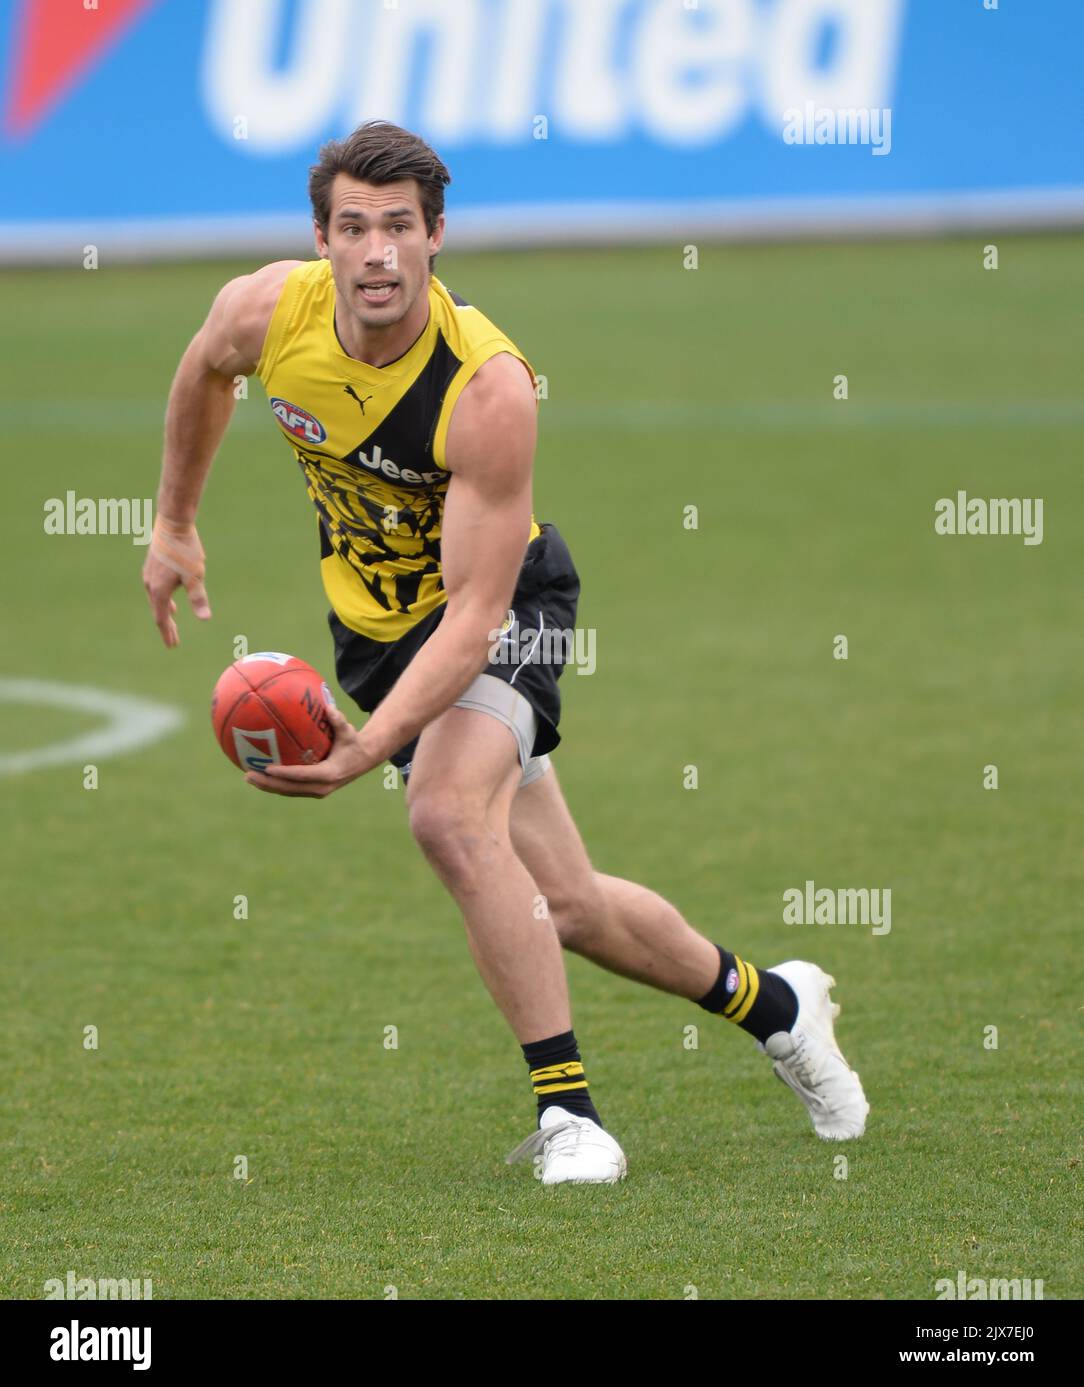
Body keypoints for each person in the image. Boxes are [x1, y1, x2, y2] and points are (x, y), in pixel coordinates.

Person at [143, 121, 869, 1186]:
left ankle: (571, 1117)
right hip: (376, 630)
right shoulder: (265, 308)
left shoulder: (485, 387)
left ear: (437, 237)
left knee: (443, 811)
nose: (377, 252)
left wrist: (369, 750)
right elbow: (205, 371)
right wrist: (173, 521)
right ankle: (780, 1006)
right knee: (562, 904)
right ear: (321, 238)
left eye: (399, 227)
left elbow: (477, 615)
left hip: (500, 611)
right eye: (354, 228)